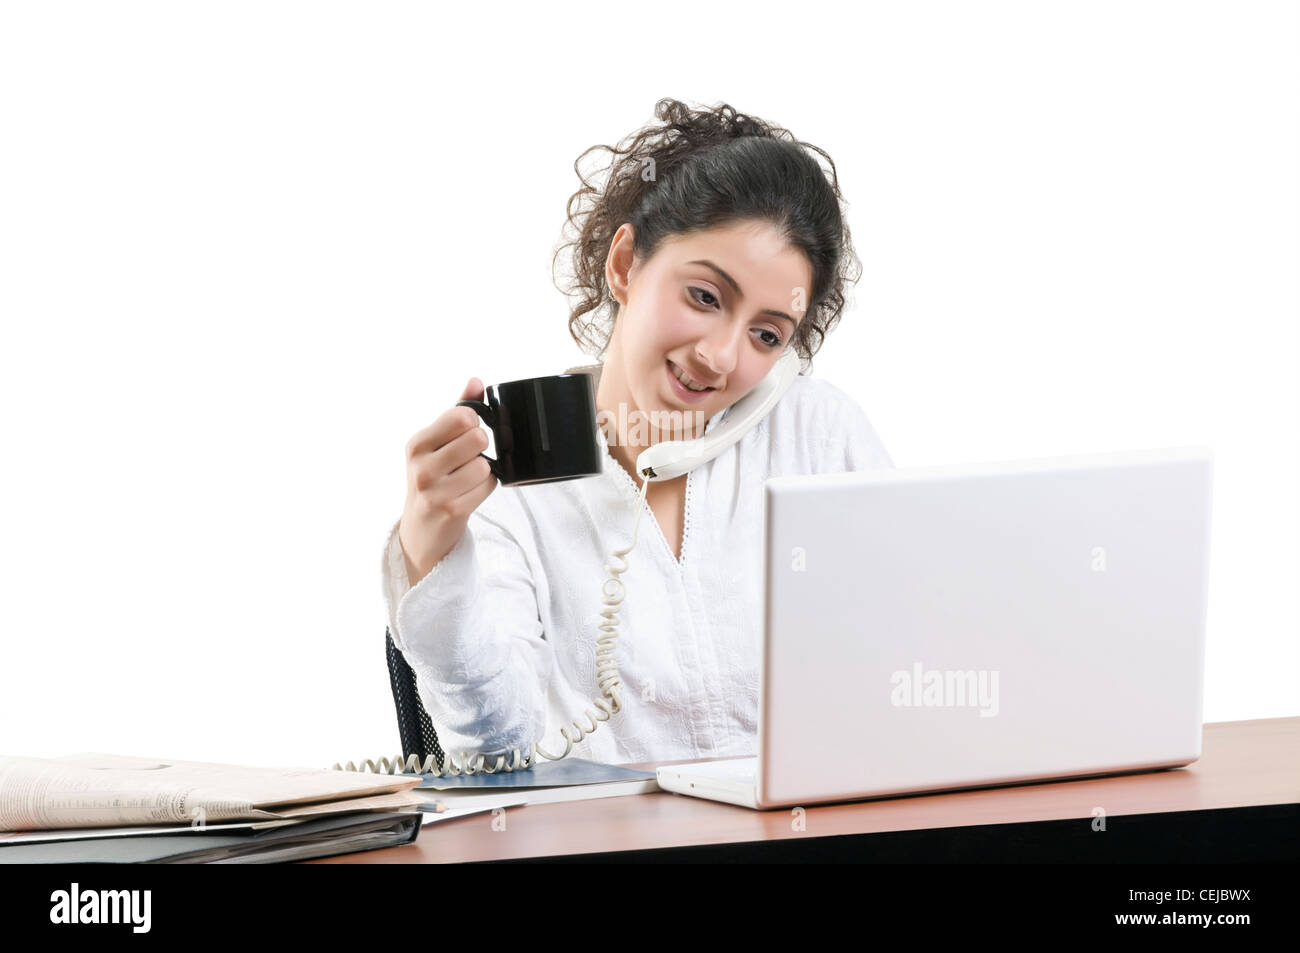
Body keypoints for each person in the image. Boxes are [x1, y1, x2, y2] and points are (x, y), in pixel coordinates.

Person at [381, 98, 894, 769]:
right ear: (625, 264)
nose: (720, 356)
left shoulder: (819, 435)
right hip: (605, 827)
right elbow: (497, 749)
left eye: (766, 335)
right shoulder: (511, 485)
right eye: (705, 297)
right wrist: (432, 548)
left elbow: (905, 662)